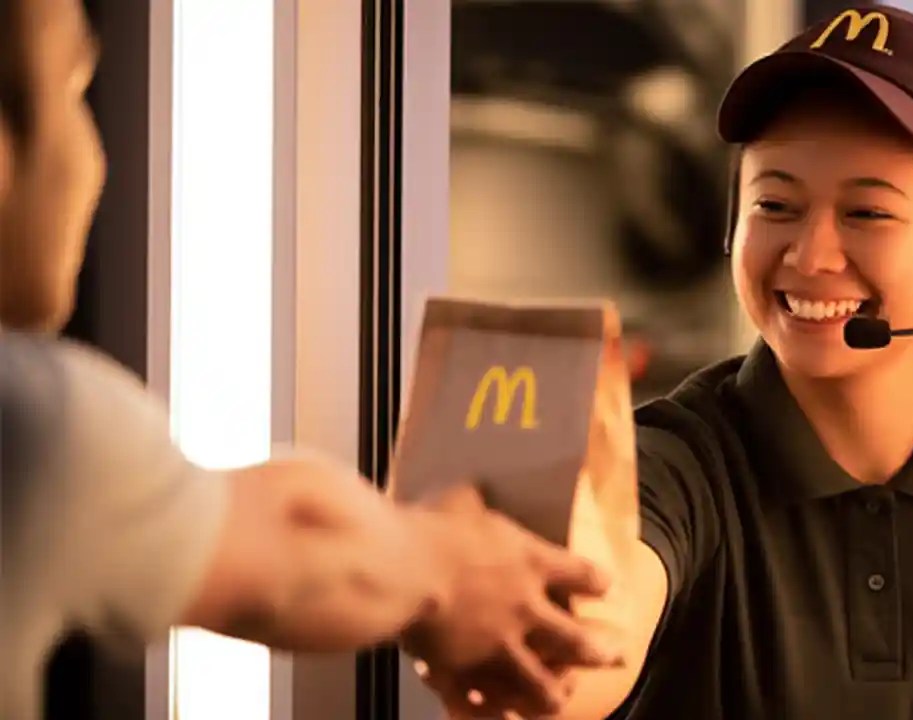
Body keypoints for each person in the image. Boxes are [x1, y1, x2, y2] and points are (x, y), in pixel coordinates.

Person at [418, 5, 913, 719]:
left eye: (867, 212)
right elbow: (601, 630)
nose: (809, 256)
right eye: (775, 206)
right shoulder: (675, 463)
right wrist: (534, 625)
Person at [0, 1, 622, 718]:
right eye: (73, 91)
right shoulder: (35, 432)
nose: (92, 156)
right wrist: (450, 562)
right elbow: (301, 548)